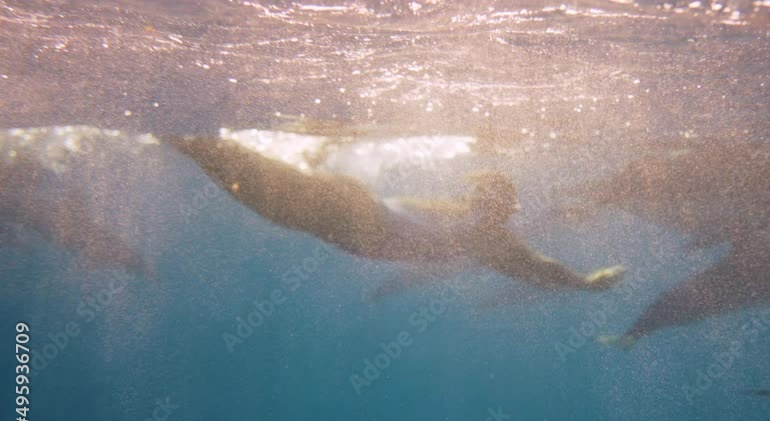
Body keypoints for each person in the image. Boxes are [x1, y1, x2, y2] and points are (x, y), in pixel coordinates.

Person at [164, 135, 624, 291]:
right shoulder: (470, 216)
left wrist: (583, 283)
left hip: (362, 224)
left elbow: (534, 268)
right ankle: (199, 146)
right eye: (481, 193)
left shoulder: (492, 241)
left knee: (286, 201)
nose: (482, 202)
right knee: (285, 200)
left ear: (503, 210)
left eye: (492, 201)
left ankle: (198, 144)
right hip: (359, 216)